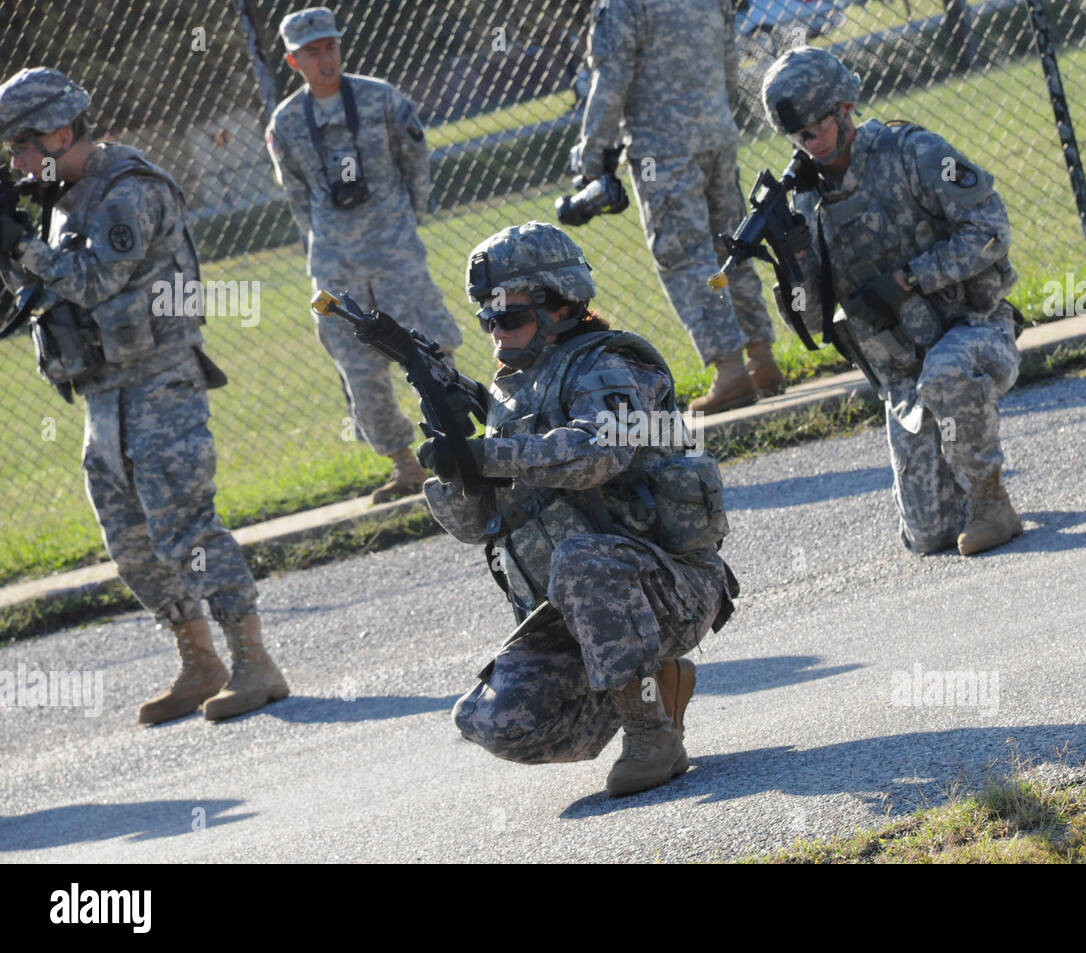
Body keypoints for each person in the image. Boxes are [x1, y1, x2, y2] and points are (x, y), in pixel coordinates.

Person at [0, 68, 288, 722]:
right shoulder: (61, 198)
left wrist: (21, 243)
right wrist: (11, 244)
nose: (15, 162)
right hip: (103, 394)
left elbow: (94, 280)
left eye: (19, 146)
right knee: (129, 543)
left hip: (159, 383)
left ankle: (255, 662)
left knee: (187, 526)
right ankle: (199, 660)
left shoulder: (129, 190)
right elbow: (38, 296)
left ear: (59, 134)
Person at [420, 221, 738, 796]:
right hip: (571, 614)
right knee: (491, 721)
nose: (496, 330)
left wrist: (490, 454)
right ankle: (656, 685)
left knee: (581, 559)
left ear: (561, 305)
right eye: (487, 318)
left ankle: (650, 733)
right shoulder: (510, 393)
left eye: (510, 316)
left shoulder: (611, 367)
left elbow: (598, 453)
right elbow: (476, 528)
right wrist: (455, 467)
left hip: (670, 588)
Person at [760, 47, 1023, 556]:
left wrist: (910, 278)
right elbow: (813, 323)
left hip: (974, 330)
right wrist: (791, 261)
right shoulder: (808, 202)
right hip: (902, 370)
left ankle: (992, 503)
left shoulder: (912, 152)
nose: (807, 144)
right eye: (796, 136)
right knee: (928, 537)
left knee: (946, 372)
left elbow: (991, 230)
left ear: (845, 108)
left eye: (814, 129)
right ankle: (960, 496)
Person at [265, 6, 462, 503]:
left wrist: (408, 219)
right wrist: (321, 243)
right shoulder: (286, 122)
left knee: (431, 347)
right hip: (334, 266)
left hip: (394, 251)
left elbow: (415, 160)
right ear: (293, 62)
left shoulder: (381, 98)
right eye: (313, 52)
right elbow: (296, 194)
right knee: (356, 366)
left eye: (330, 46)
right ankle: (404, 464)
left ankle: (460, 444)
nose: (326, 58)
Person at [575, 0, 784, 415]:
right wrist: (714, 113)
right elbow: (728, 61)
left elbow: (611, 80)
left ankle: (730, 370)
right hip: (716, 131)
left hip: (662, 148)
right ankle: (761, 359)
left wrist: (591, 156)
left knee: (685, 255)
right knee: (733, 246)